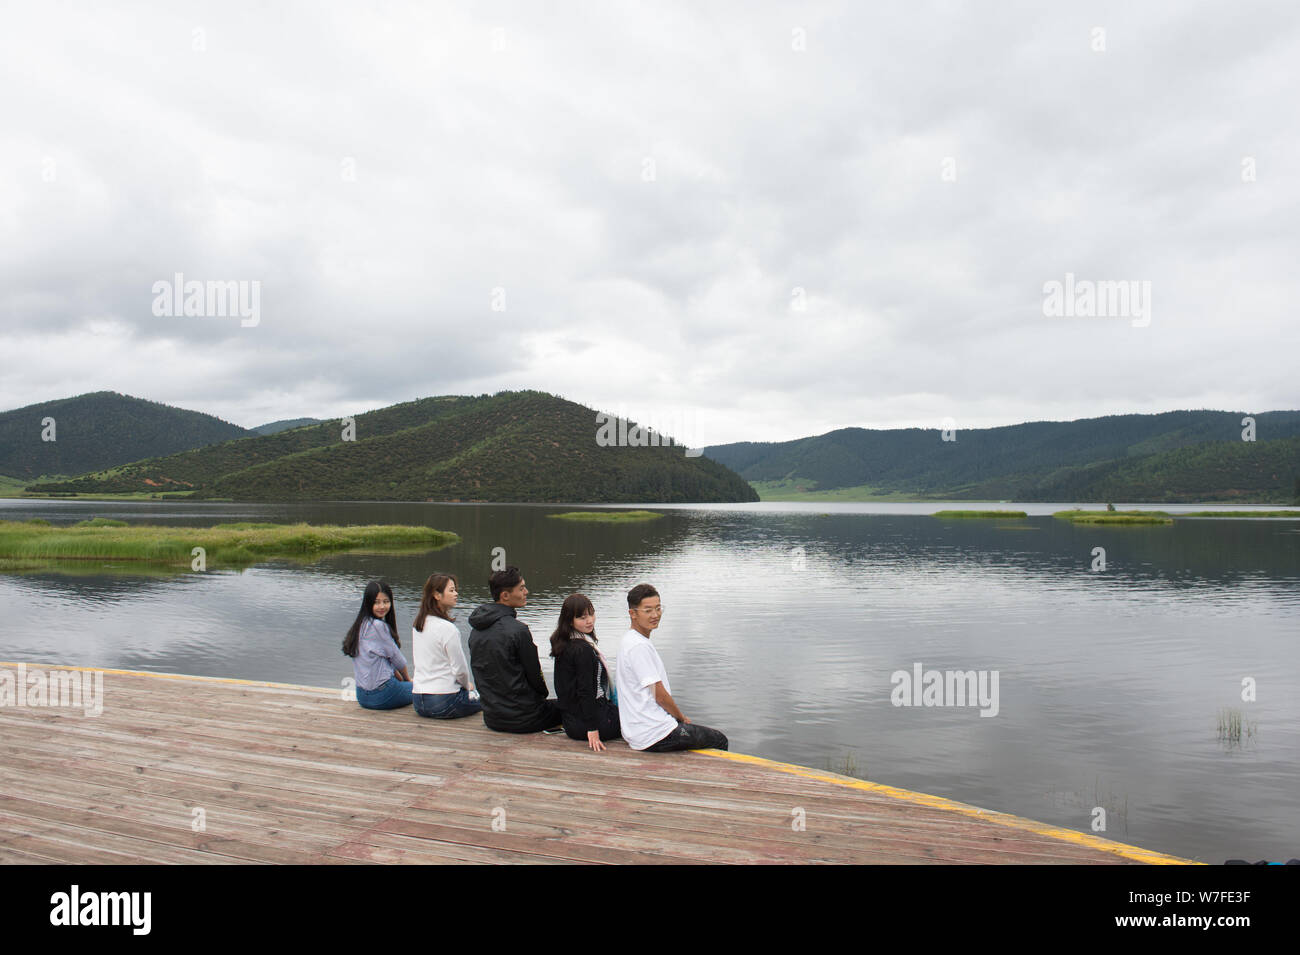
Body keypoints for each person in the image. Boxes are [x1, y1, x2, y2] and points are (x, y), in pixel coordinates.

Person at [615, 583, 728, 752]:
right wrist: (680, 718)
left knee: (695, 737)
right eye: (648, 610)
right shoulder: (639, 646)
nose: (655, 615)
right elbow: (659, 695)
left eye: (658, 608)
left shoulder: (630, 639)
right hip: (653, 733)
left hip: (638, 730)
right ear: (633, 614)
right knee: (718, 740)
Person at [468, 566, 562, 733]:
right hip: (525, 719)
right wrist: (542, 696)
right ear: (505, 595)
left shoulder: (476, 631)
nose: (526, 591)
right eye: (521, 588)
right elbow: (535, 677)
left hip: (492, 718)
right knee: (572, 707)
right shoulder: (518, 631)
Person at [550, 593, 621, 751]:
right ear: (570, 620)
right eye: (582, 618)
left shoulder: (564, 643)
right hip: (590, 722)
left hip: (571, 721)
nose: (589, 621)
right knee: (637, 717)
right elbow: (586, 690)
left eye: (591, 614)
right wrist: (592, 729)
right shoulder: (582, 650)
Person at [411, 572, 483, 720]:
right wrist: (466, 685)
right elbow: (460, 670)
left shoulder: (418, 625)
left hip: (419, 701)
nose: (456, 594)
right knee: (488, 699)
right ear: (437, 595)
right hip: (444, 702)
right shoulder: (447, 629)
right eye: (451, 590)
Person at [342, 579, 412, 710]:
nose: (382, 606)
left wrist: (400, 680)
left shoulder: (360, 625)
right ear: (368, 603)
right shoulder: (378, 627)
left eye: (386, 602)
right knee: (422, 688)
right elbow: (398, 661)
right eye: (376, 602)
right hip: (383, 694)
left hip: (362, 696)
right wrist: (408, 680)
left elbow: (387, 662)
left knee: (403, 684)